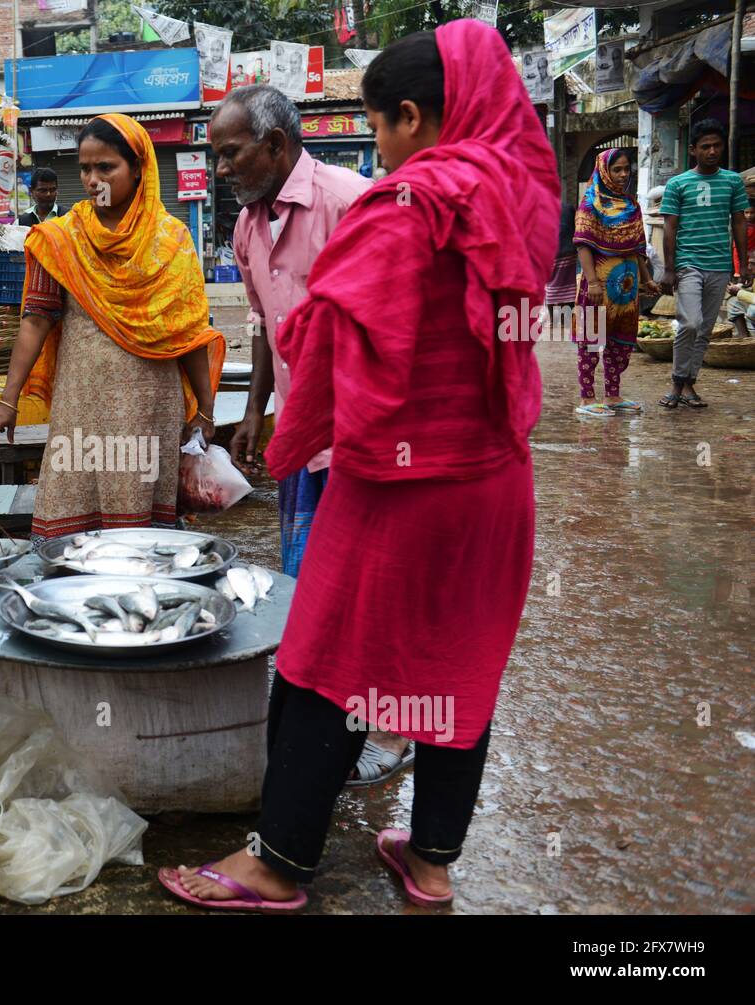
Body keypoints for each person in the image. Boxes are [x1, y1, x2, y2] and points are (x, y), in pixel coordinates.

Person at [160, 20, 557, 911]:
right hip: (496, 477)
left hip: (402, 481)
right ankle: (431, 859)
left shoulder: (405, 203)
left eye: (379, 124)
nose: (376, 146)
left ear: (411, 117)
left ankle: (279, 860)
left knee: (322, 659)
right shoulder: (524, 192)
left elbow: (338, 343)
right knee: (465, 661)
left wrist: (291, 431)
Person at [210, 85, 411, 789]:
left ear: (275, 144)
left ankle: (387, 729)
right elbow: (265, 328)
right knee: (312, 589)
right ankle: (324, 721)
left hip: (369, 438)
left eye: (231, 153)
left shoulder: (349, 201)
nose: (222, 168)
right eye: (215, 155)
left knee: (373, 590)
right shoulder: (245, 227)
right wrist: (256, 409)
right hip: (306, 439)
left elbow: (399, 323)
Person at [0, 114, 224, 541]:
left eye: (106, 167)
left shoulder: (172, 241)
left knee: (144, 541)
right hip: (83, 405)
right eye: (84, 168)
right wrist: (8, 400)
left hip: (152, 409)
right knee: (75, 534)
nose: (93, 180)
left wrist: (204, 411)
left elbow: (188, 335)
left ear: (138, 168)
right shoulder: (58, 239)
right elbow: (35, 320)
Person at [658, 119, 750, 409]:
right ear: (693, 150)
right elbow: (670, 228)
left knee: (705, 329)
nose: (712, 151)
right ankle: (676, 380)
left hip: (720, 265)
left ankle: (688, 385)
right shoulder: (677, 184)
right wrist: (669, 269)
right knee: (690, 323)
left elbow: (738, 222)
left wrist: (744, 264)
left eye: (717, 146)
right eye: (705, 146)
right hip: (688, 264)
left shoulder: (733, 181)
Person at [571, 148, 658, 417]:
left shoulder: (632, 205)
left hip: (626, 289)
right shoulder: (590, 204)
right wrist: (594, 283)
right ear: (604, 171)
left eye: (625, 170)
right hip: (598, 287)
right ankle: (587, 399)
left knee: (620, 344)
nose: (622, 175)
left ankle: (613, 395)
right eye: (616, 170)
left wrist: (647, 279)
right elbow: (583, 245)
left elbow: (637, 248)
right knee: (591, 341)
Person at [544, 205, 578, 335]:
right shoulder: (568, 207)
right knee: (569, 284)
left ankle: (554, 320)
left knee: (551, 284)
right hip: (569, 250)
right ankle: (566, 318)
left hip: (550, 251)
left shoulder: (543, 207)